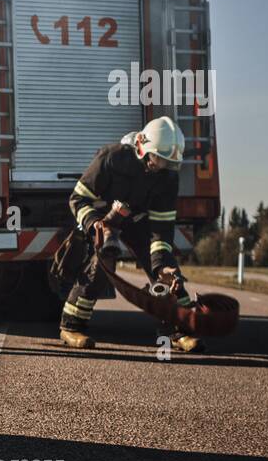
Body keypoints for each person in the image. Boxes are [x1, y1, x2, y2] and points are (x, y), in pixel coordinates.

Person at [61, 116, 202, 352]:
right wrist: (94, 224)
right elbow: (78, 198)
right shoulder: (111, 158)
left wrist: (163, 267)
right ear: (142, 148)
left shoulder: (167, 177)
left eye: (169, 162)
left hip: (139, 222)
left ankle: (178, 331)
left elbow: (161, 229)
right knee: (103, 265)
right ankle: (71, 326)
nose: (162, 167)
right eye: (158, 160)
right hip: (106, 219)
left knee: (165, 271)